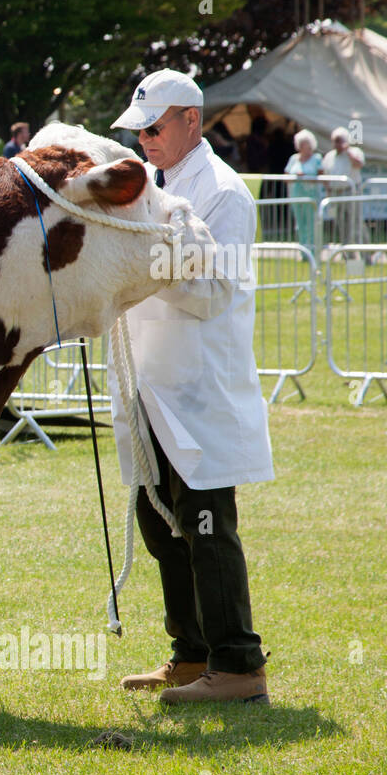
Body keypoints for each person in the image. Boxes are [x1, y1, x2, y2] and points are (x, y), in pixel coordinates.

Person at [109, 67, 273, 705]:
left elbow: (213, 292)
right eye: (138, 131)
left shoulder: (225, 194)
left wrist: (139, 267)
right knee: (160, 524)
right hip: (153, 383)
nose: (144, 140)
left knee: (206, 524)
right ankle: (191, 652)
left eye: (153, 128)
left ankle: (237, 662)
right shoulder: (150, 185)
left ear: (190, 122)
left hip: (200, 388)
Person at [322, 126, 365, 246]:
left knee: (355, 223)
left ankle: (365, 252)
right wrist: (328, 192)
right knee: (341, 223)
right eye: (334, 141)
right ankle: (347, 253)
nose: (336, 144)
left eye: (339, 140)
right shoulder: (329, 156)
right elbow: (325, 175)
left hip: (351, 192)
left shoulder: (355, 152)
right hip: (336, 193)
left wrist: (348, 152)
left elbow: (359, 164)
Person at [284, 129, 322, 251]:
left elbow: (321, 176)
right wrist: (295, 177)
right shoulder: (293, 158)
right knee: (299, 224)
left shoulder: (316, 158)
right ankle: (302, 248)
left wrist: (306, 177)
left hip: (311, 195)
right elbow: (286, 176)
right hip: (296, 194)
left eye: (304, 143)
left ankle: (311, 249)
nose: (302, 146)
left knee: (311, 223)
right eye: (300, 143)